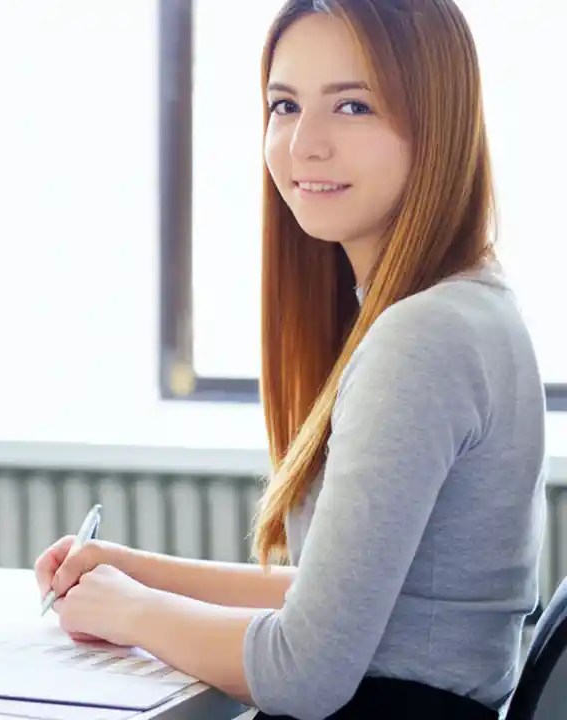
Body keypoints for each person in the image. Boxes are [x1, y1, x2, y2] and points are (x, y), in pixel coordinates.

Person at [34, 1, 547, 718]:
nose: (305, 143)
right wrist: (127, 572)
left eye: (354, 105)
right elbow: (340, 605)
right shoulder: (472, 304)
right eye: (284, 105)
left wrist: (130, 612)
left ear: (438, 121)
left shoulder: (424, 337)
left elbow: (304, 669)